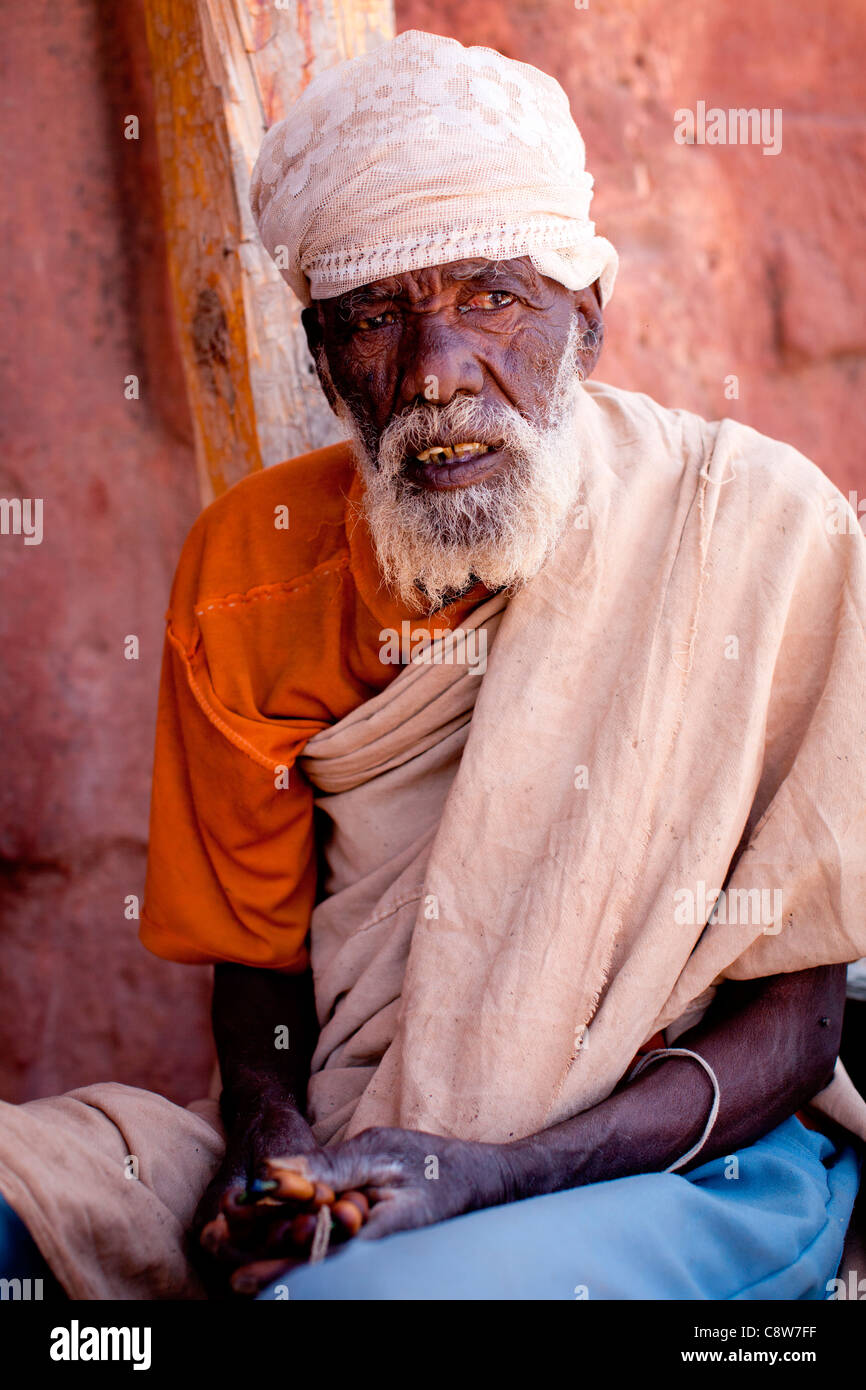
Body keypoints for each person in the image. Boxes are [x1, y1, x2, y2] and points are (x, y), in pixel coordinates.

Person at [0, 30, 863, 1302]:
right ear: (319, 357)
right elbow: (262, 991)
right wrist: (277, 1155)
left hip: (684, 1167)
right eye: (376, 317)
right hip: (368, 1142)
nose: (435, 373)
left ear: (587, 318)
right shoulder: (249, 575)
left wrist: (483, 1174)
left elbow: (798, 1024)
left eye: (490, 298)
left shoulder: (759, 532)